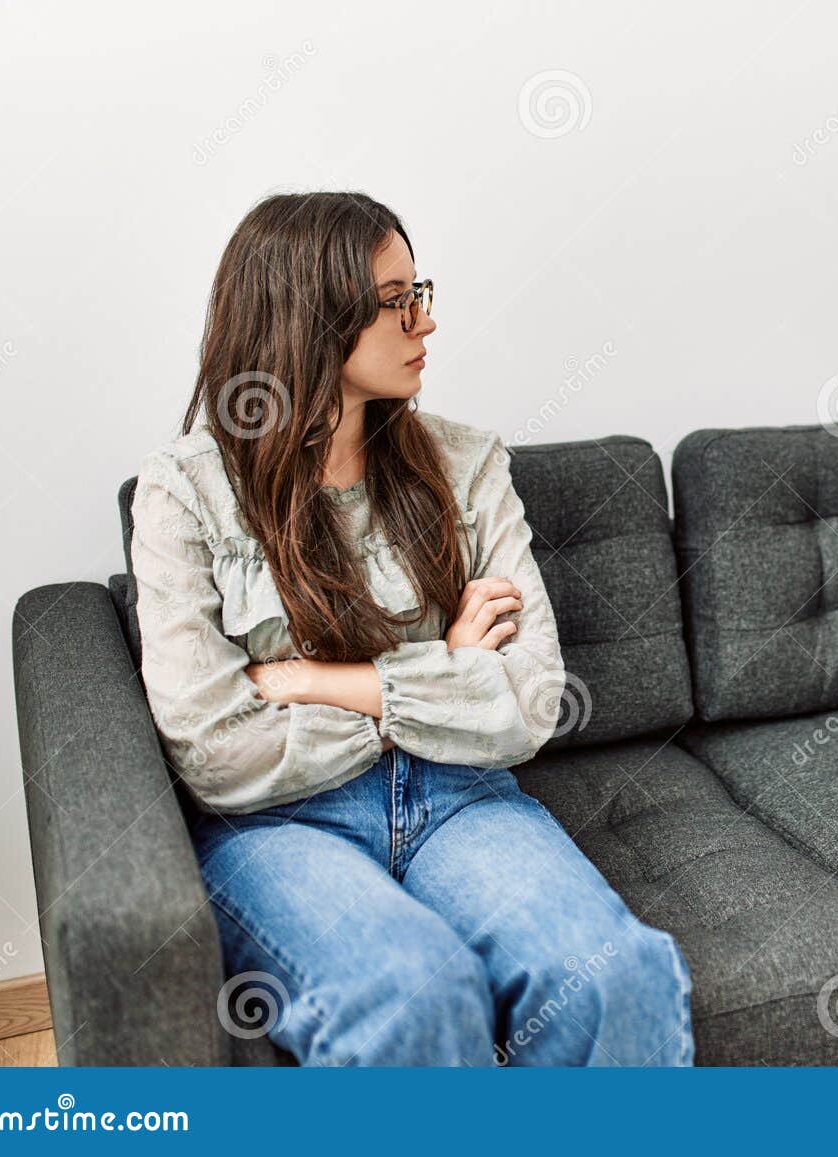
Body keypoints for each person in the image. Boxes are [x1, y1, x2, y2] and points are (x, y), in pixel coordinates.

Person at [130, 191, 694, 1066]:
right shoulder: (185, 491)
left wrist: (323, 682)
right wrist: (449, 672)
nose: (425, 321)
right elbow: (214, 748)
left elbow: (532, 700)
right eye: (396, 301)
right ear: (310, 322)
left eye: (418, 291)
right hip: (282, 823)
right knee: (415, 993)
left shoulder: (467, 464)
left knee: (619, 974)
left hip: (459, 796)